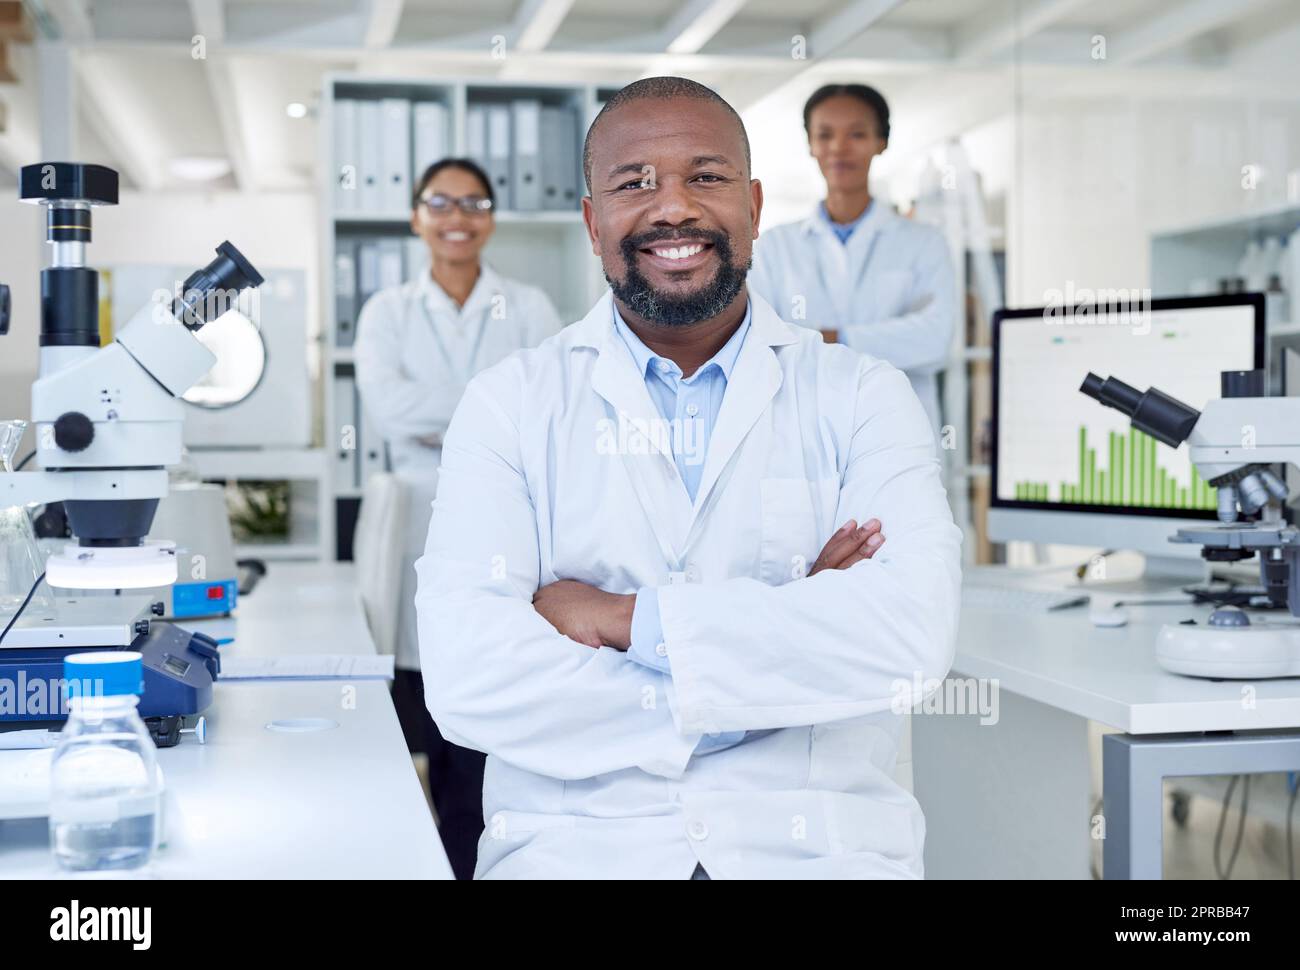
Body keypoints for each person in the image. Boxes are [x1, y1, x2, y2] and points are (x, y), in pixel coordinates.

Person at [415, 78, 961, 879]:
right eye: (635, 183)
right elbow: (470, 679)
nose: (673, 207)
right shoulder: (510, 404)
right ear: (593, 222)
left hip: (818, 852)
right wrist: (785, 640)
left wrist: (622, 619)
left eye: (706, 176)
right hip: (580, 851)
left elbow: (907, 640)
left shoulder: (862, 395)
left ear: (754, 206)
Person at [354, 157, 562, 879]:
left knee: (483, 707)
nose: (457, 218)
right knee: (416, 705)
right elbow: (389, 410)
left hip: (507, 519)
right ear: (416, 216)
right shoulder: (386, 311)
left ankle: (475, 860)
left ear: (491, 218)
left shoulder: (528, 306)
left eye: (473, 203)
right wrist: (491, 410)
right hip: (410, 521)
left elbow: (548, 407)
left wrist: (445, 417)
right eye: (440, 203)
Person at [748, 83, 955, 430]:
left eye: (857, 134)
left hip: (898, 429)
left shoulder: (925, 243)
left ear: (881, 141)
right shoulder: (774, 246)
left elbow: (935, 339)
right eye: (825, 135)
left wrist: (828, 339)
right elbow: (761, 344)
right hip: (803, 430)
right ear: (811, 144)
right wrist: (880, 338)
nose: (839, 148)